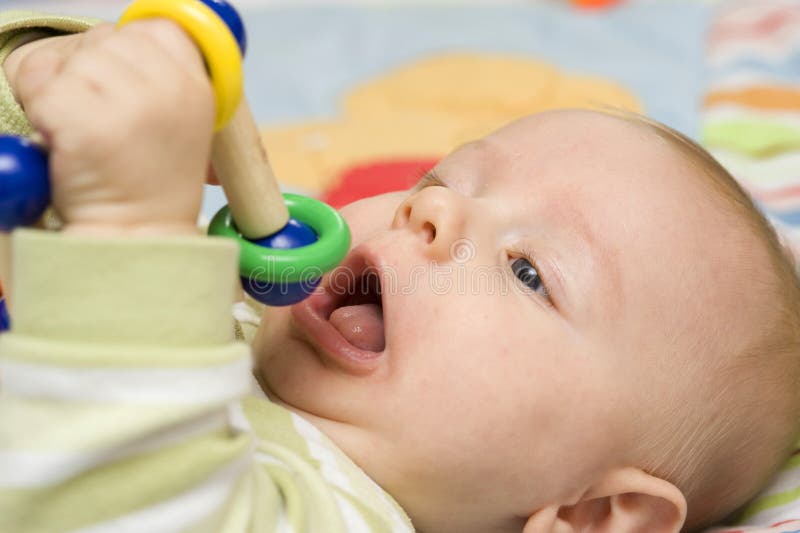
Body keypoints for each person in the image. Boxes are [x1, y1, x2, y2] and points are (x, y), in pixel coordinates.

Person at [1, 16, 800, 533]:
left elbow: (128, 504)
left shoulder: (342, 510)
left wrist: (134, 227)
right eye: (444, 179)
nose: (435, 214)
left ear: (592, 514)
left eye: (528, 271)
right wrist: (48, 84)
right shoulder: (225, 301)